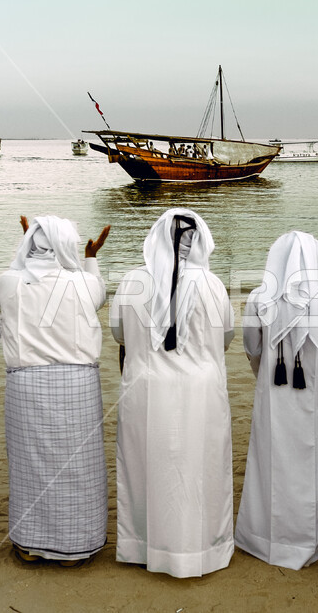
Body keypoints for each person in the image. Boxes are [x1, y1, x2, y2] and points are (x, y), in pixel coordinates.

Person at [110, 208, 235, 578]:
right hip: (200, 391)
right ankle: (200, 550)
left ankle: (144, 547)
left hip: (148, 390)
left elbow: (119, 333)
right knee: (202, 469)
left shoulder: (133, 281)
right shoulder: (213, 285)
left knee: (145, 468)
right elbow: (225, 337)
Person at [0, 215, 110, 566]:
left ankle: (30, 545)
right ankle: (75, 548)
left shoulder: (6, 281)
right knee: (78, 467)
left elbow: (23, 278)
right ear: (66, 247)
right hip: (76, 384)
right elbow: (98, 293)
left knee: (30, 466)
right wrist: (90, 257)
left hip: (26, 384)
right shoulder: (83, 284)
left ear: (28, 243)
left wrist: (30, 239)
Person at [236, 231, 318, 570]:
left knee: (270, 462)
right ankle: (310, 539)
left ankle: (266, 538)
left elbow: (252, 349)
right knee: (312, 465)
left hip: (272, 395)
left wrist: (265, 374)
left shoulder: (259, 298)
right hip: (313, 397)